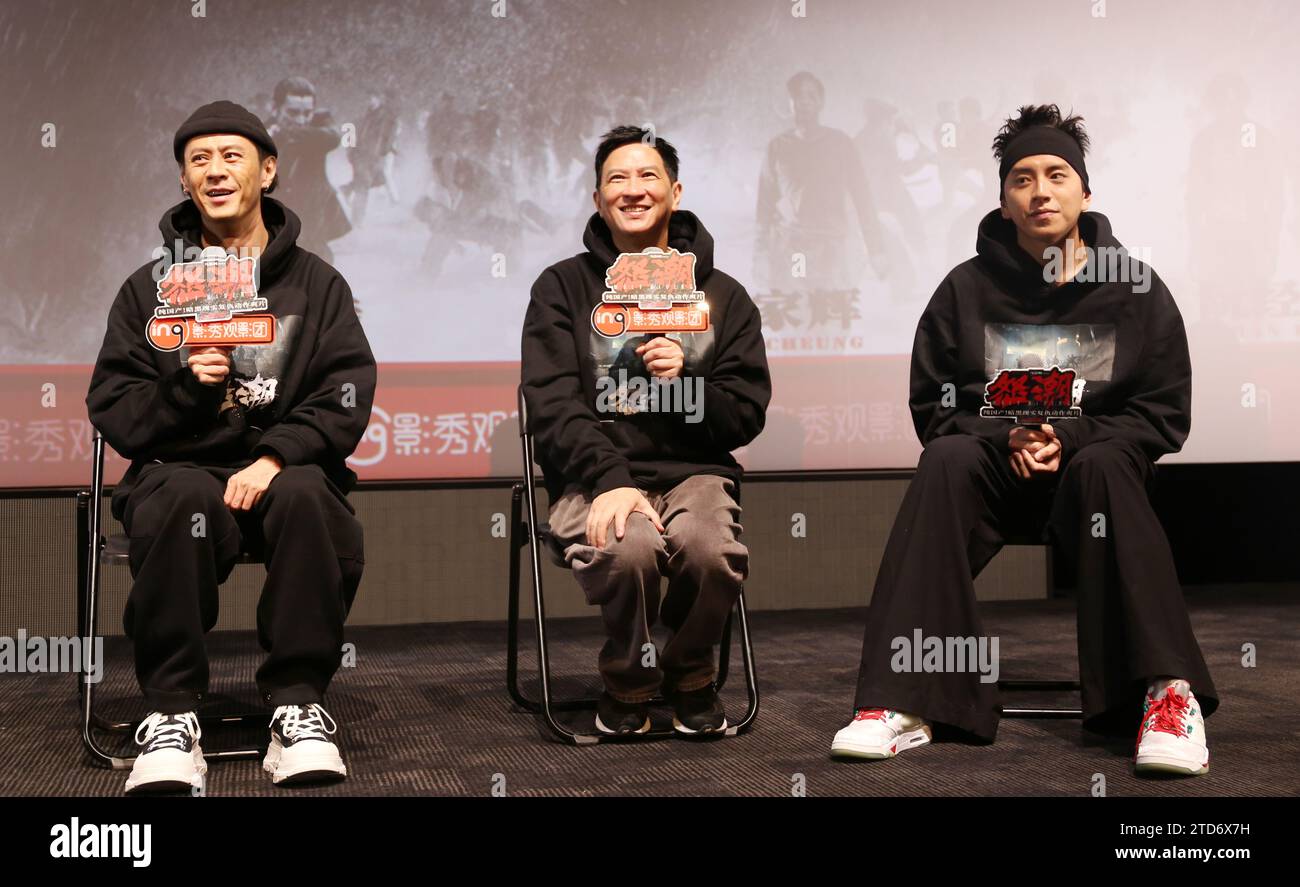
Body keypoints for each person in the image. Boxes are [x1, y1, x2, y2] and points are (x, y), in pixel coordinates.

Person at [830, 105, 1217, 776]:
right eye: (1022, 178)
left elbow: (1161, 411)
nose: (1040, 190)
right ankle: (900, 699)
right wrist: (1007, 436)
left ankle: (1166, 695)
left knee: (1102, 464)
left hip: (1096, 479)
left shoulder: (1135, 290)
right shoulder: (964, 290)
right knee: (947, 457)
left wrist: (1070, 438)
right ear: (1004, 200)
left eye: (1057, 174)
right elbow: (936, 402)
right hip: (994, 473)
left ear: (1086, 193)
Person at [86, 100, 376, 793]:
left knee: (310, 494)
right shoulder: (150, 288)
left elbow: (345, 389)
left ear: (268, 171)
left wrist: (275, 454)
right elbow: (113, 406)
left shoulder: (316, 284)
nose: (216, 171)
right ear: (184, 181)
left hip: (283, 468)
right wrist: (186, 384)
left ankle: (297, 706)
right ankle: (171, 714)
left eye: (232, 156)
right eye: (199, 160)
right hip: (179, 473)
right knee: (180, 495)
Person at [521, 126, 771, 735]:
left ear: (675, 191)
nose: (633, 191)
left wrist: (688, 381)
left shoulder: (724, 296)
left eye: (648, 176)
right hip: (592, 476)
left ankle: (690, 673)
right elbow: (550, 405)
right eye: (617, 180)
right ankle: (630, 680)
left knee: (711, 553)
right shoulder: (563, 288)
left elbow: (746, 413)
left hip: (695, 475)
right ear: (598, 198)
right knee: (630, 547)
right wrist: (609, 479)